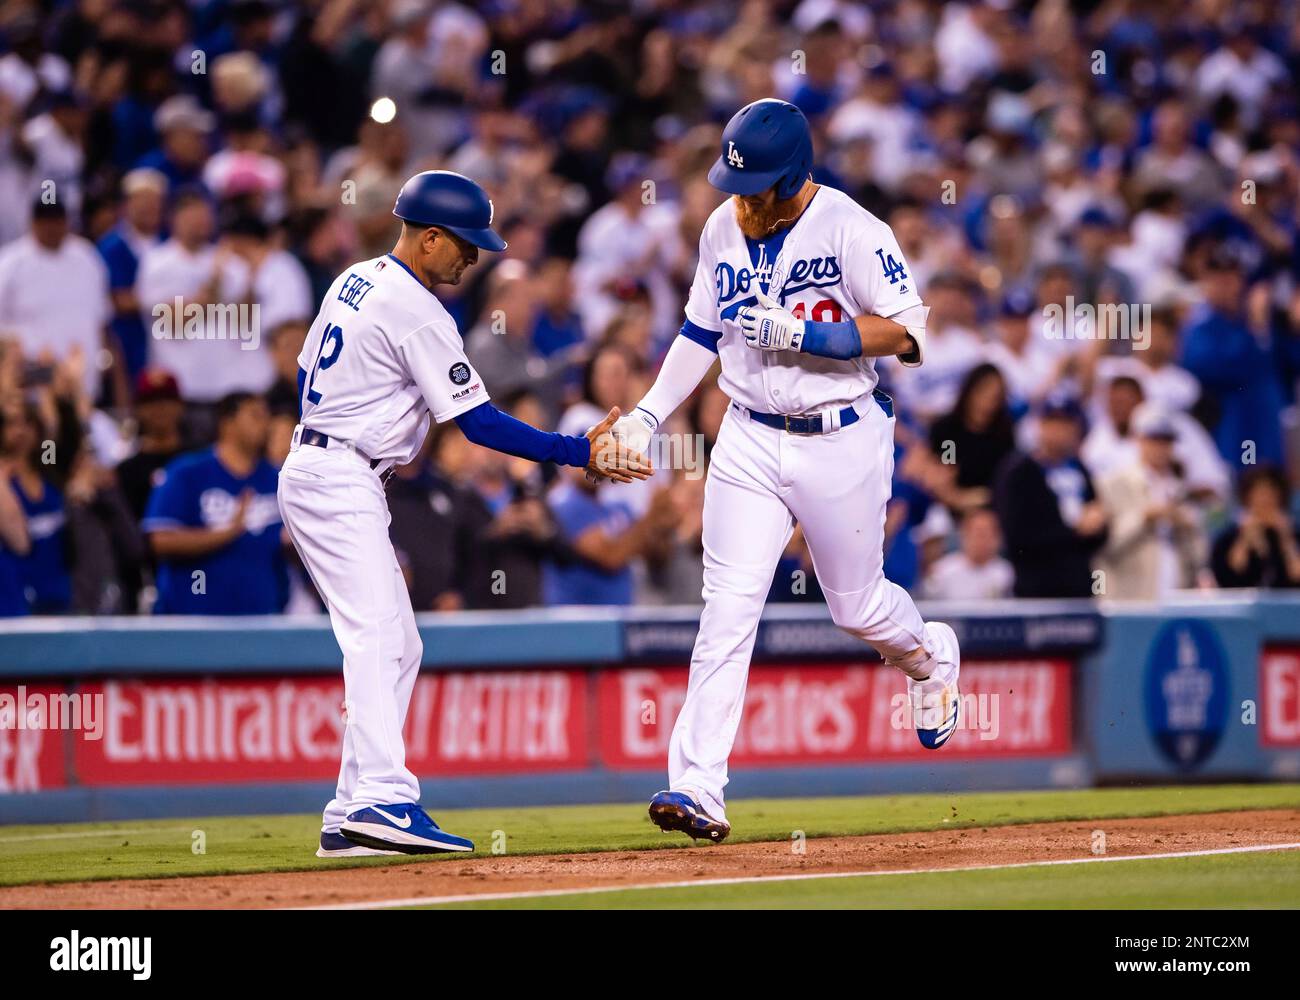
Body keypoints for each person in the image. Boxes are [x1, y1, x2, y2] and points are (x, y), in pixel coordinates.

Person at [609, 100, 961, 843]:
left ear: (795, 176)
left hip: (840, 435)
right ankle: (697, 786)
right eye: (734, 182)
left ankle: (930, 660)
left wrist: (809, 332)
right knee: (727, 611)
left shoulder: (853, 228)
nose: (741, 198)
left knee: (855, 609)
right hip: (745, 437)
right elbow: (698, 333)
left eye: (756, 184)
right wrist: (646, 414)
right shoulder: (720, 228)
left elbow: (907, 331)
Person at [276, 170, 650, 860]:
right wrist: (575, 449)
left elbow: (305, 373)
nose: (472, 258)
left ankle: (346, 812)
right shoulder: (419, 308)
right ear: (428, 238)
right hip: (339, 474)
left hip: (325, 462)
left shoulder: (353, 278)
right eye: (464, 245)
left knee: (399, 642)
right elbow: (478, 424)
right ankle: (384, 798)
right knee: (374, 636)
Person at [142, 392, 286, 615]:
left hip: (262, 620)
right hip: (193, 621)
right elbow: (160, 540)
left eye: (267, 417)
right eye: (255, 416)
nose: (265, 424)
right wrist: (227, 533)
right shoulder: (187, 473)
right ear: (227, 423)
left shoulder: (278, 479)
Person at [993, 396, 1108, 598]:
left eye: (1066, 424)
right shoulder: (1019, 472)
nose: (1060, 431)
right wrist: (1075, 531)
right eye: (1053, 423)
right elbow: (1017, 536)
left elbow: (1098, 529)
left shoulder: (1081, 469)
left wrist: (1098, 526)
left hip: (1079, 586)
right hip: (1036, 590)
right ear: (1040, 426)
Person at [1094, 405, 1205, 600]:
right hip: (1129, 599)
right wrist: (1145, 517)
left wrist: (1186, 527)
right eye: (1154, 439)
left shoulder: (1180, 490)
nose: (1161, 448)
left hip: (1174, 595)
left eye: (1166, 441)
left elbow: (1199, 556)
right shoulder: (1112, 484)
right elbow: (1104, 545)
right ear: (1138, 439)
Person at [1211, 466, 1300, 589]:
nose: (1265, 500)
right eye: (1259, 494)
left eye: (1270, 494)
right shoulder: (1228, 537)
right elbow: (1230, 574)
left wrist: (1286, 539)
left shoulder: (1294, 533)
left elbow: (1296, 574)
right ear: (1248, 497)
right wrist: (1245, 539)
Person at [922, 507, 1013, 601]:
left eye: (989, 534)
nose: (984, 541)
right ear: (964, 534)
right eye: (979, 534)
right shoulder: (942, 571)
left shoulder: (1004, 571)